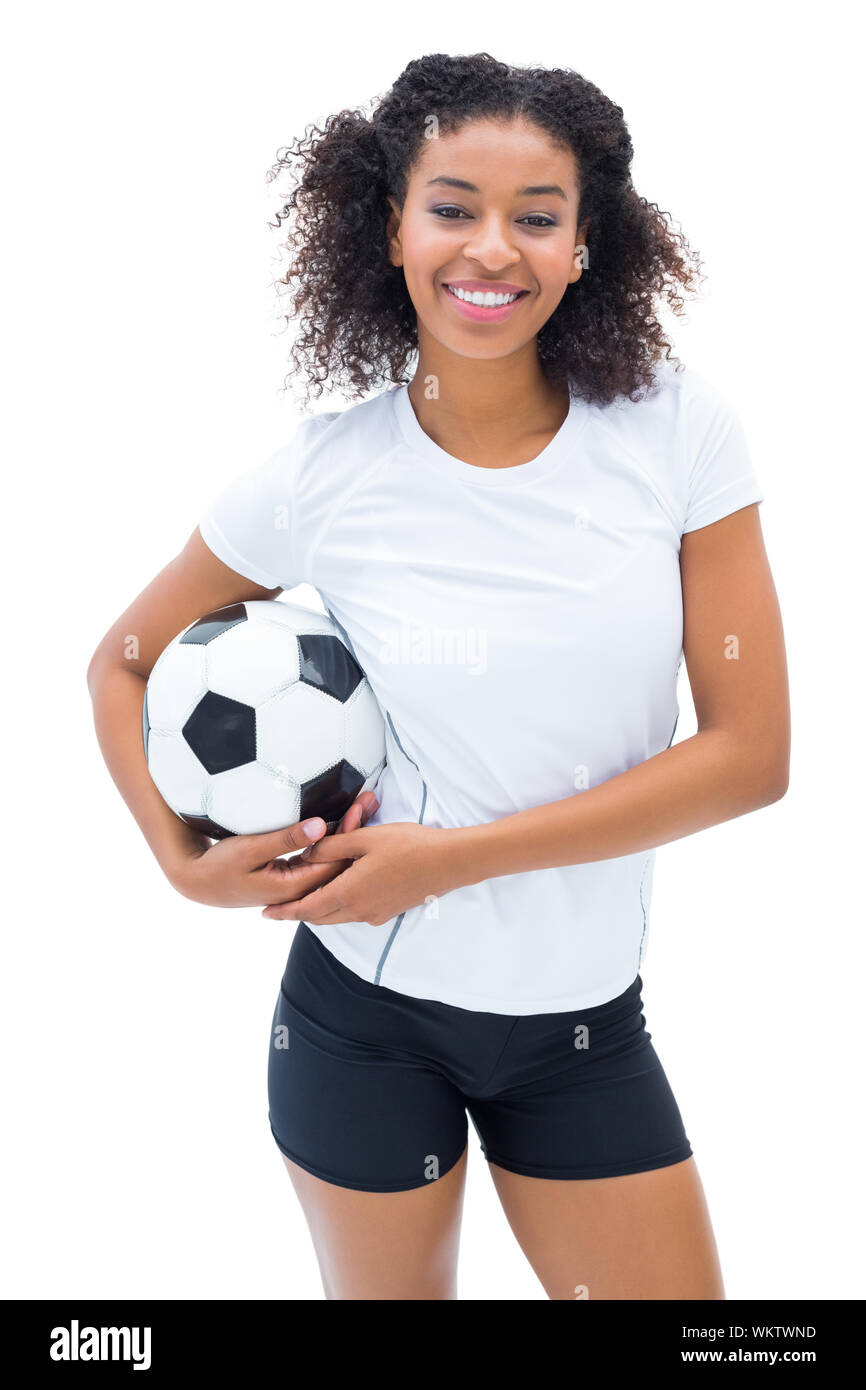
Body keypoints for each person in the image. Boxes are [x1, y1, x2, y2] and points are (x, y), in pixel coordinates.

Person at [87, 52, 790, 1300]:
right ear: (392, 228)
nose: (491, 250)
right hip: (358, 1022)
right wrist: (178, 860)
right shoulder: (325, 473)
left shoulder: (678, 434)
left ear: (585, 246)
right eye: (452, 207)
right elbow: (123, 661)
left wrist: (451, 858)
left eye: (536, 216)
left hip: (579, 1032)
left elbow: (749, 756)